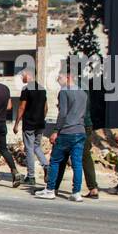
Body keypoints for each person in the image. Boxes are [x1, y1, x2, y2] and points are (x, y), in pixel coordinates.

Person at [34, 61, 88, 202]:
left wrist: (56, 131)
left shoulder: (64, 91)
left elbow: (63, 113)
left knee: (55, 161)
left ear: (68, 77)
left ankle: (50, 189)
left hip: (67, 131)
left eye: (60, 77)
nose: (58, 79)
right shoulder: (83, 93)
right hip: (80, 131)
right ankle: (76, 192)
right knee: (77, 163)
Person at [12, 69, 48, 188]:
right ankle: (46, 166)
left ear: (29, 75)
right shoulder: (42, 89)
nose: (22, 78)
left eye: (23, 75)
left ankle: (31, 177)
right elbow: (46, 108)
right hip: (40, 124)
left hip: (29, 124)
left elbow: (22, 107)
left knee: (29, 149)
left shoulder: (26, 89)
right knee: (37, 147)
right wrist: (41, 118)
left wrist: (17, 123)